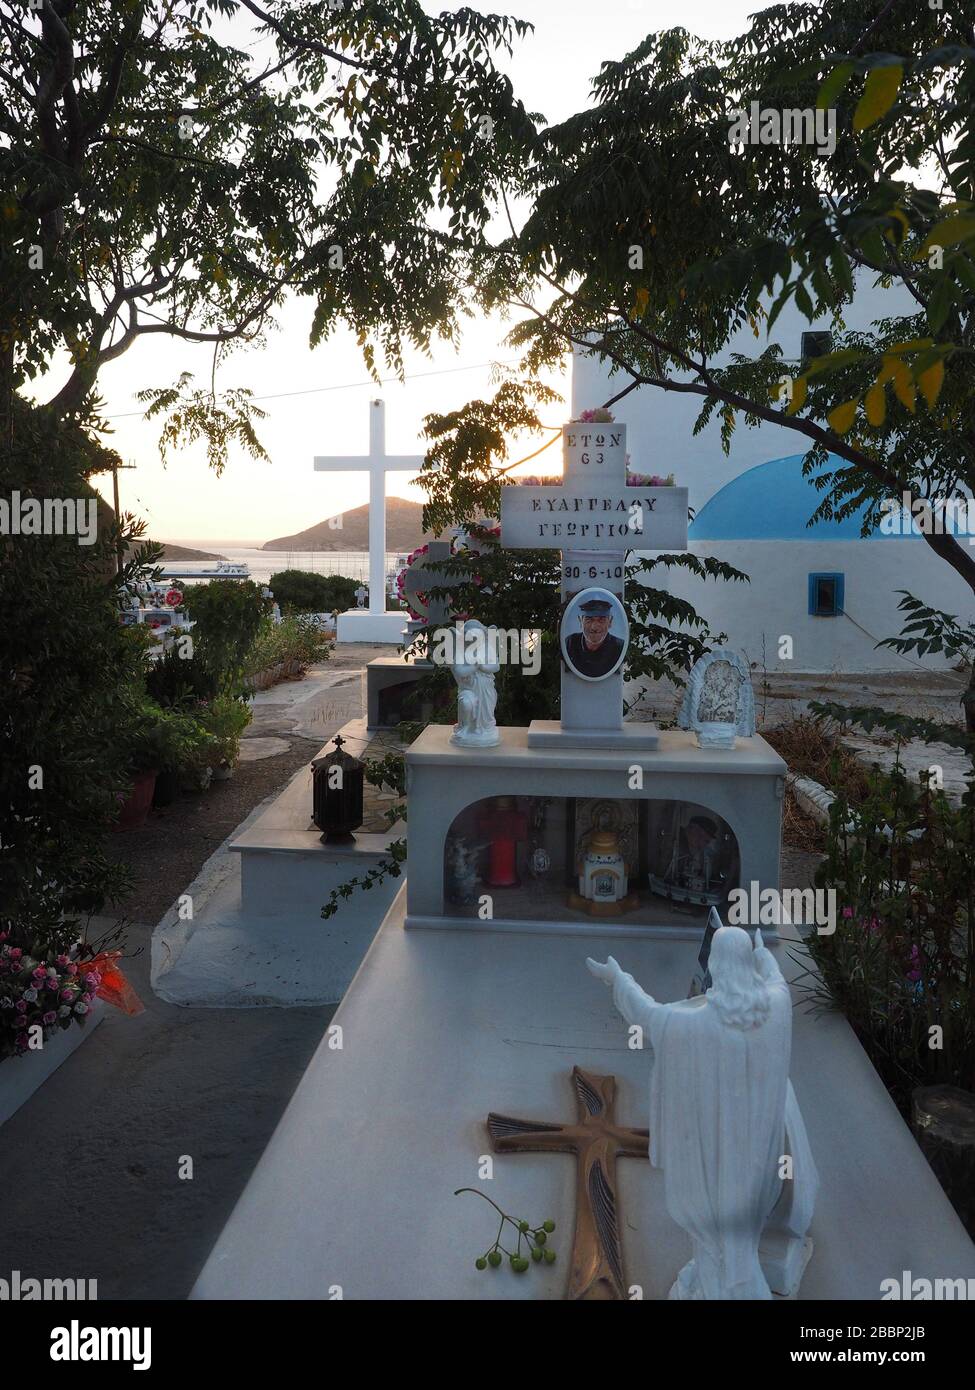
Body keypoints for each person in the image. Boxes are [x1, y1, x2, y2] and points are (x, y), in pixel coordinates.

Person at [587, 926, 818, 1300]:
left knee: (720, 1249)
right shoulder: (775, 1004)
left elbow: (647, 1015)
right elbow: (775, 976)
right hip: (758, 1166)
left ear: (716, 967)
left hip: (712, 1170)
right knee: (736, 1244)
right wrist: (761, 952)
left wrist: (618, 977)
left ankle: (734, 1292)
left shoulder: (694, 1023)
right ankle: (726, 1283)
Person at [564, 596, 624, 678]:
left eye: (601, 620)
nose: (594, 627)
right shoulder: (569, 642)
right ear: (580, 621)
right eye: (589, 619)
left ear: (610, 622)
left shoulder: (620, 646)